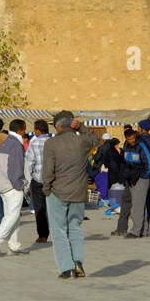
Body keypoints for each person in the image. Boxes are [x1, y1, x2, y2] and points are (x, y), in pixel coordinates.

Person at [41, 111, 100, 279]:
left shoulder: (51, 143)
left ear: (58, 126)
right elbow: (96, 140)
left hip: (57, 191)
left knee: (59, 230)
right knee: (75, 227)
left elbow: (48, 171)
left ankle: (67, 268)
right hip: (78, 191)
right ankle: (78, 261)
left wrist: (46, 188)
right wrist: (82, 128)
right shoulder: (82, 140)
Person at [0, 118, 28, 256]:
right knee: (13, 215)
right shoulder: (16, 145)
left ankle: (14, 245)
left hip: (2, 184)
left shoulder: (5, 143)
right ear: (20, 130)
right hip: (12, 185)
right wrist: (20, 184)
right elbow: (15, 168)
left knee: (13, 216)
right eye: (24, 129)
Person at [113, 122, 150, 238]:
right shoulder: (127, 145)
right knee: (141, 205)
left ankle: (136, 231)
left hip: (140, 179)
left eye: (132, 138)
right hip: (131, 178)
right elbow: (127, 160)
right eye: (129, 139)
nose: (131, 141)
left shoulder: (142, 145)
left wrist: (143, 176)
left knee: (137, 205)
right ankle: (143, 230)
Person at [24, 120, 51, 243]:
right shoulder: (53, 142)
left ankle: (43, 235)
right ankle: (58, 234)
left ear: (38, 131)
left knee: (39, 209)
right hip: (52, 180)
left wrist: (27, 180)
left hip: (38, 180)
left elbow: (29, 164)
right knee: (53, 208)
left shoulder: (33, 143)